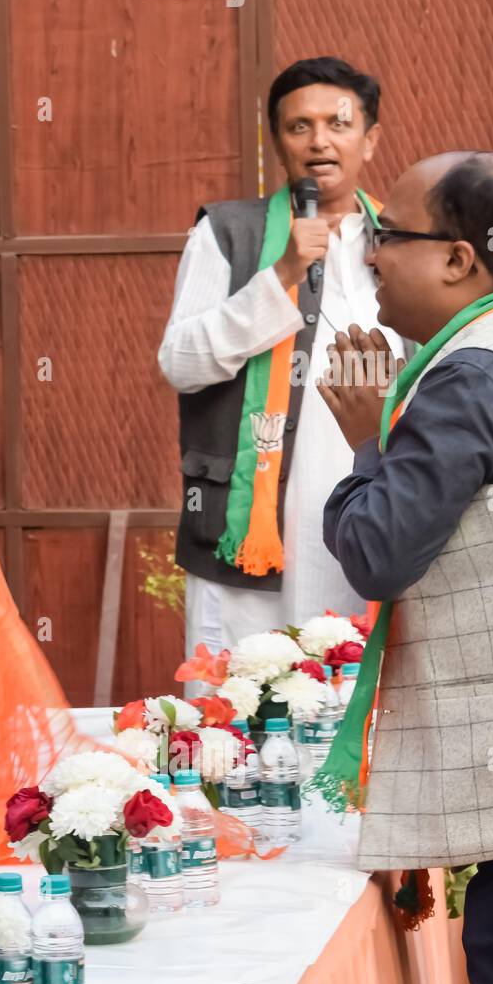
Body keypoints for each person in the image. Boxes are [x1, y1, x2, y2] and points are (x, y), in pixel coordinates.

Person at [318, 151, 493, 984]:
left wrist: (366, 442)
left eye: (387, 234)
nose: (369, 253)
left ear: (460, 258)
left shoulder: (471, 375)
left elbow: (378, 549)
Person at [159, 57, 402, 668]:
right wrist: (285, 273)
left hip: (372, 518)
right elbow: (181, 363)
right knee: (242, 714)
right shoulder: (229, 233)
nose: (319, 140)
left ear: (369, 139)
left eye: (338, 124)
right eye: (299, 127)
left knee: (352, 715)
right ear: (276, 143)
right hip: (255, 530)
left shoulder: (406, 240)